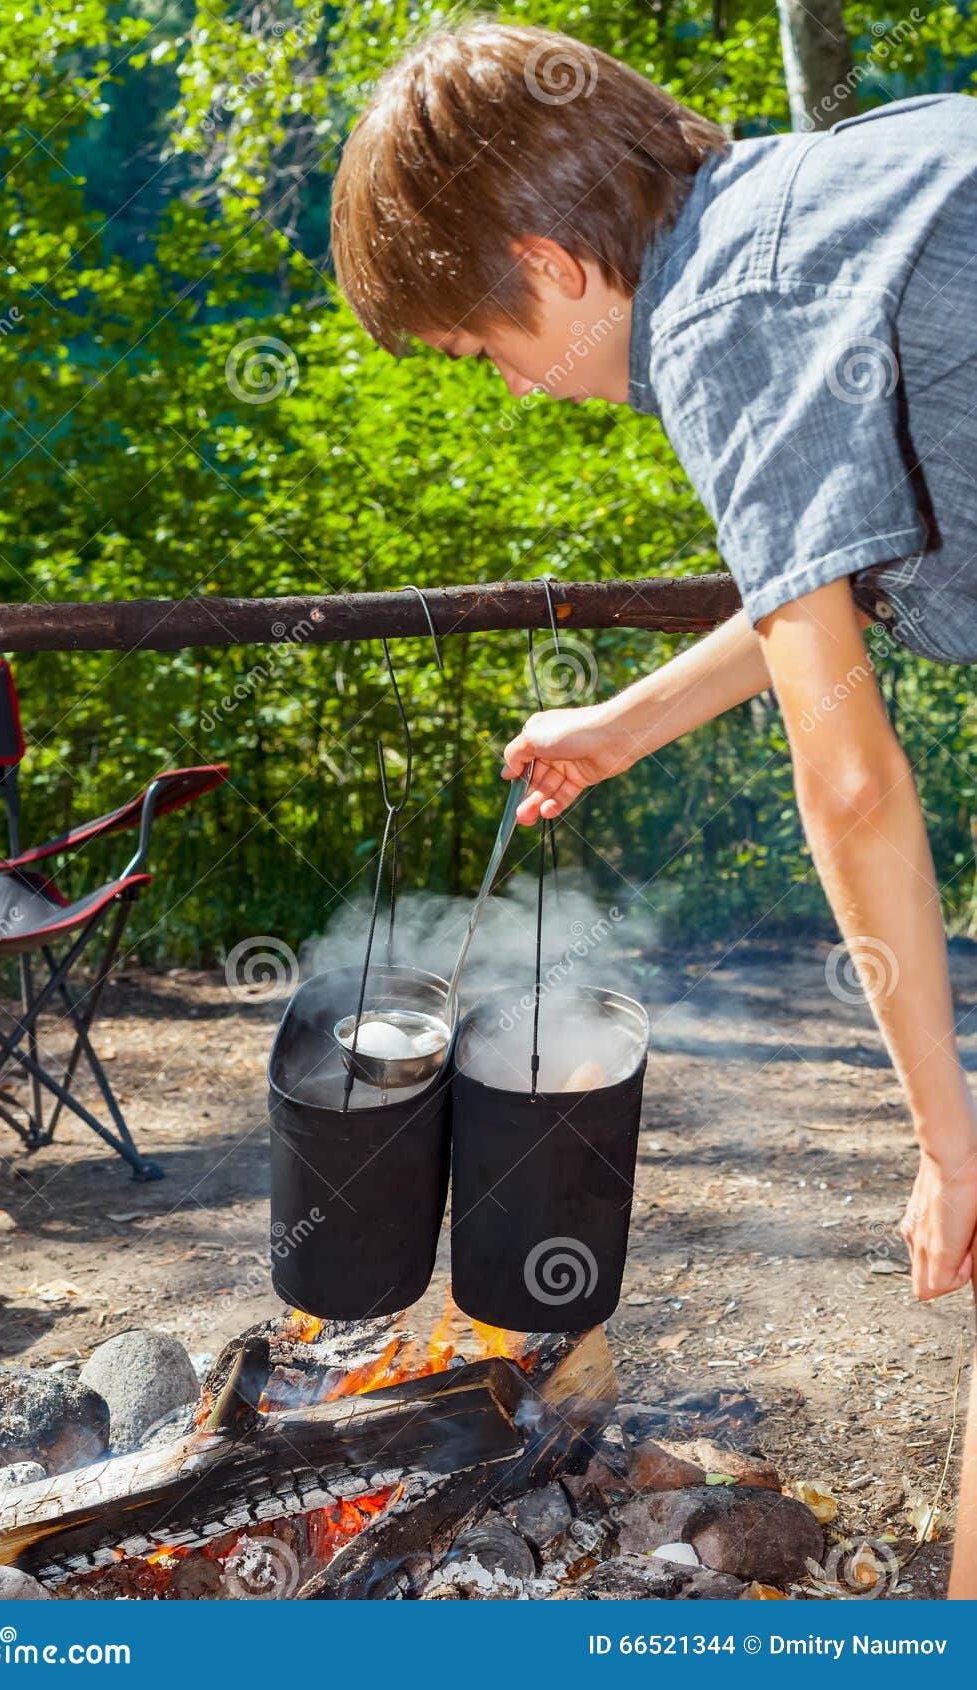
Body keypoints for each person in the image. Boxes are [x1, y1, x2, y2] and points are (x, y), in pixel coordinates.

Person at [329, 20, 977, 1593]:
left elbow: (847, 776)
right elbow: (844, 571)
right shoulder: (845, 188)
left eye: (482, 352)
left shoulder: (719, 318)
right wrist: (625, 724)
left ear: (549, 264)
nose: (515, 387)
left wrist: (949, 1137)